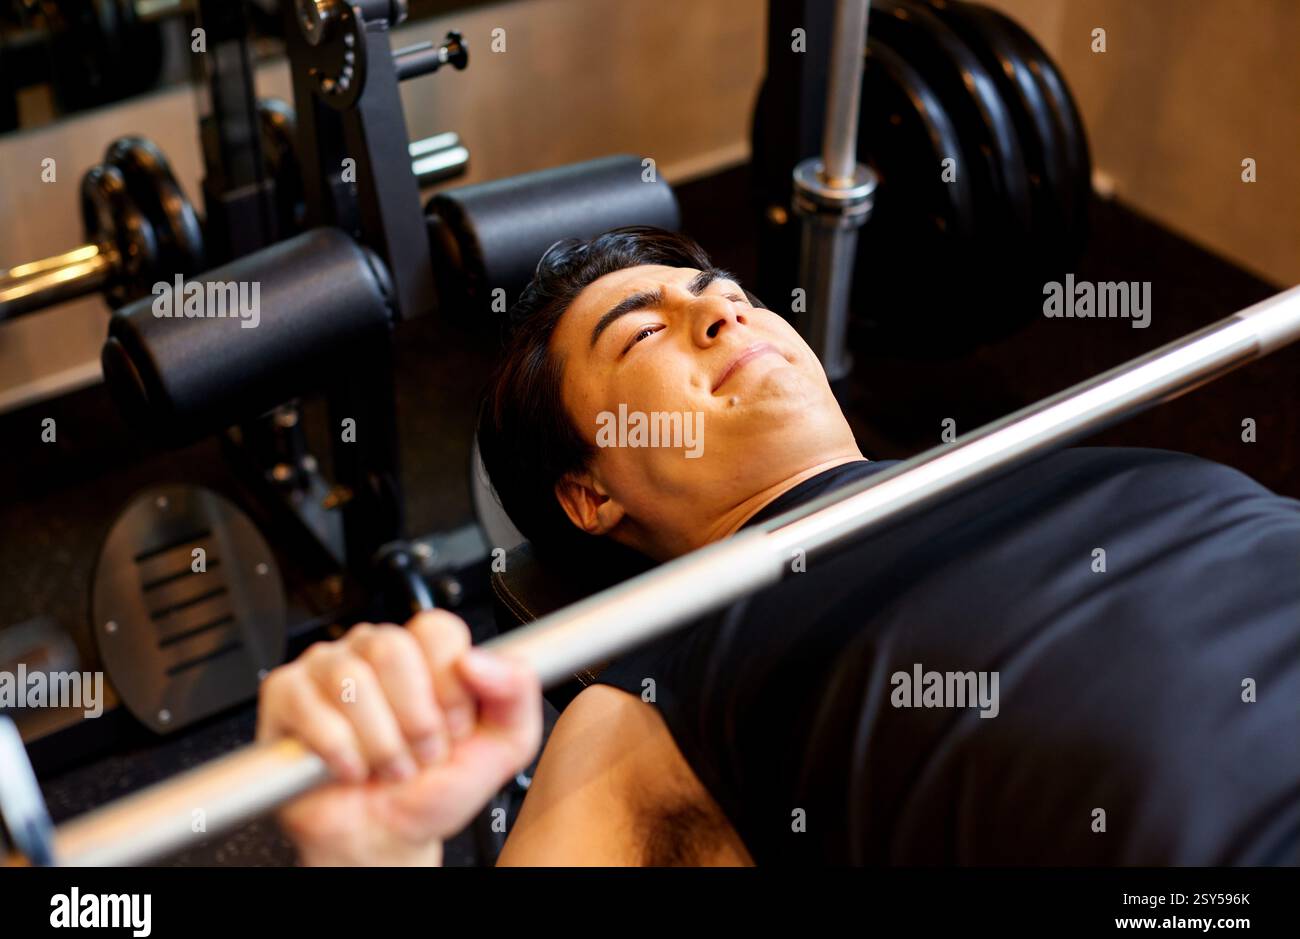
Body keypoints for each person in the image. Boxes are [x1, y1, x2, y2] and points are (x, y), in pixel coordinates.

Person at [259, 227, 1300, 866]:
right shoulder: (649, 699)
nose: (716, 313)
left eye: (729, 297)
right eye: (642, 332)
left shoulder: (1021, 452)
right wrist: (372, 850)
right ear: (588, 494)